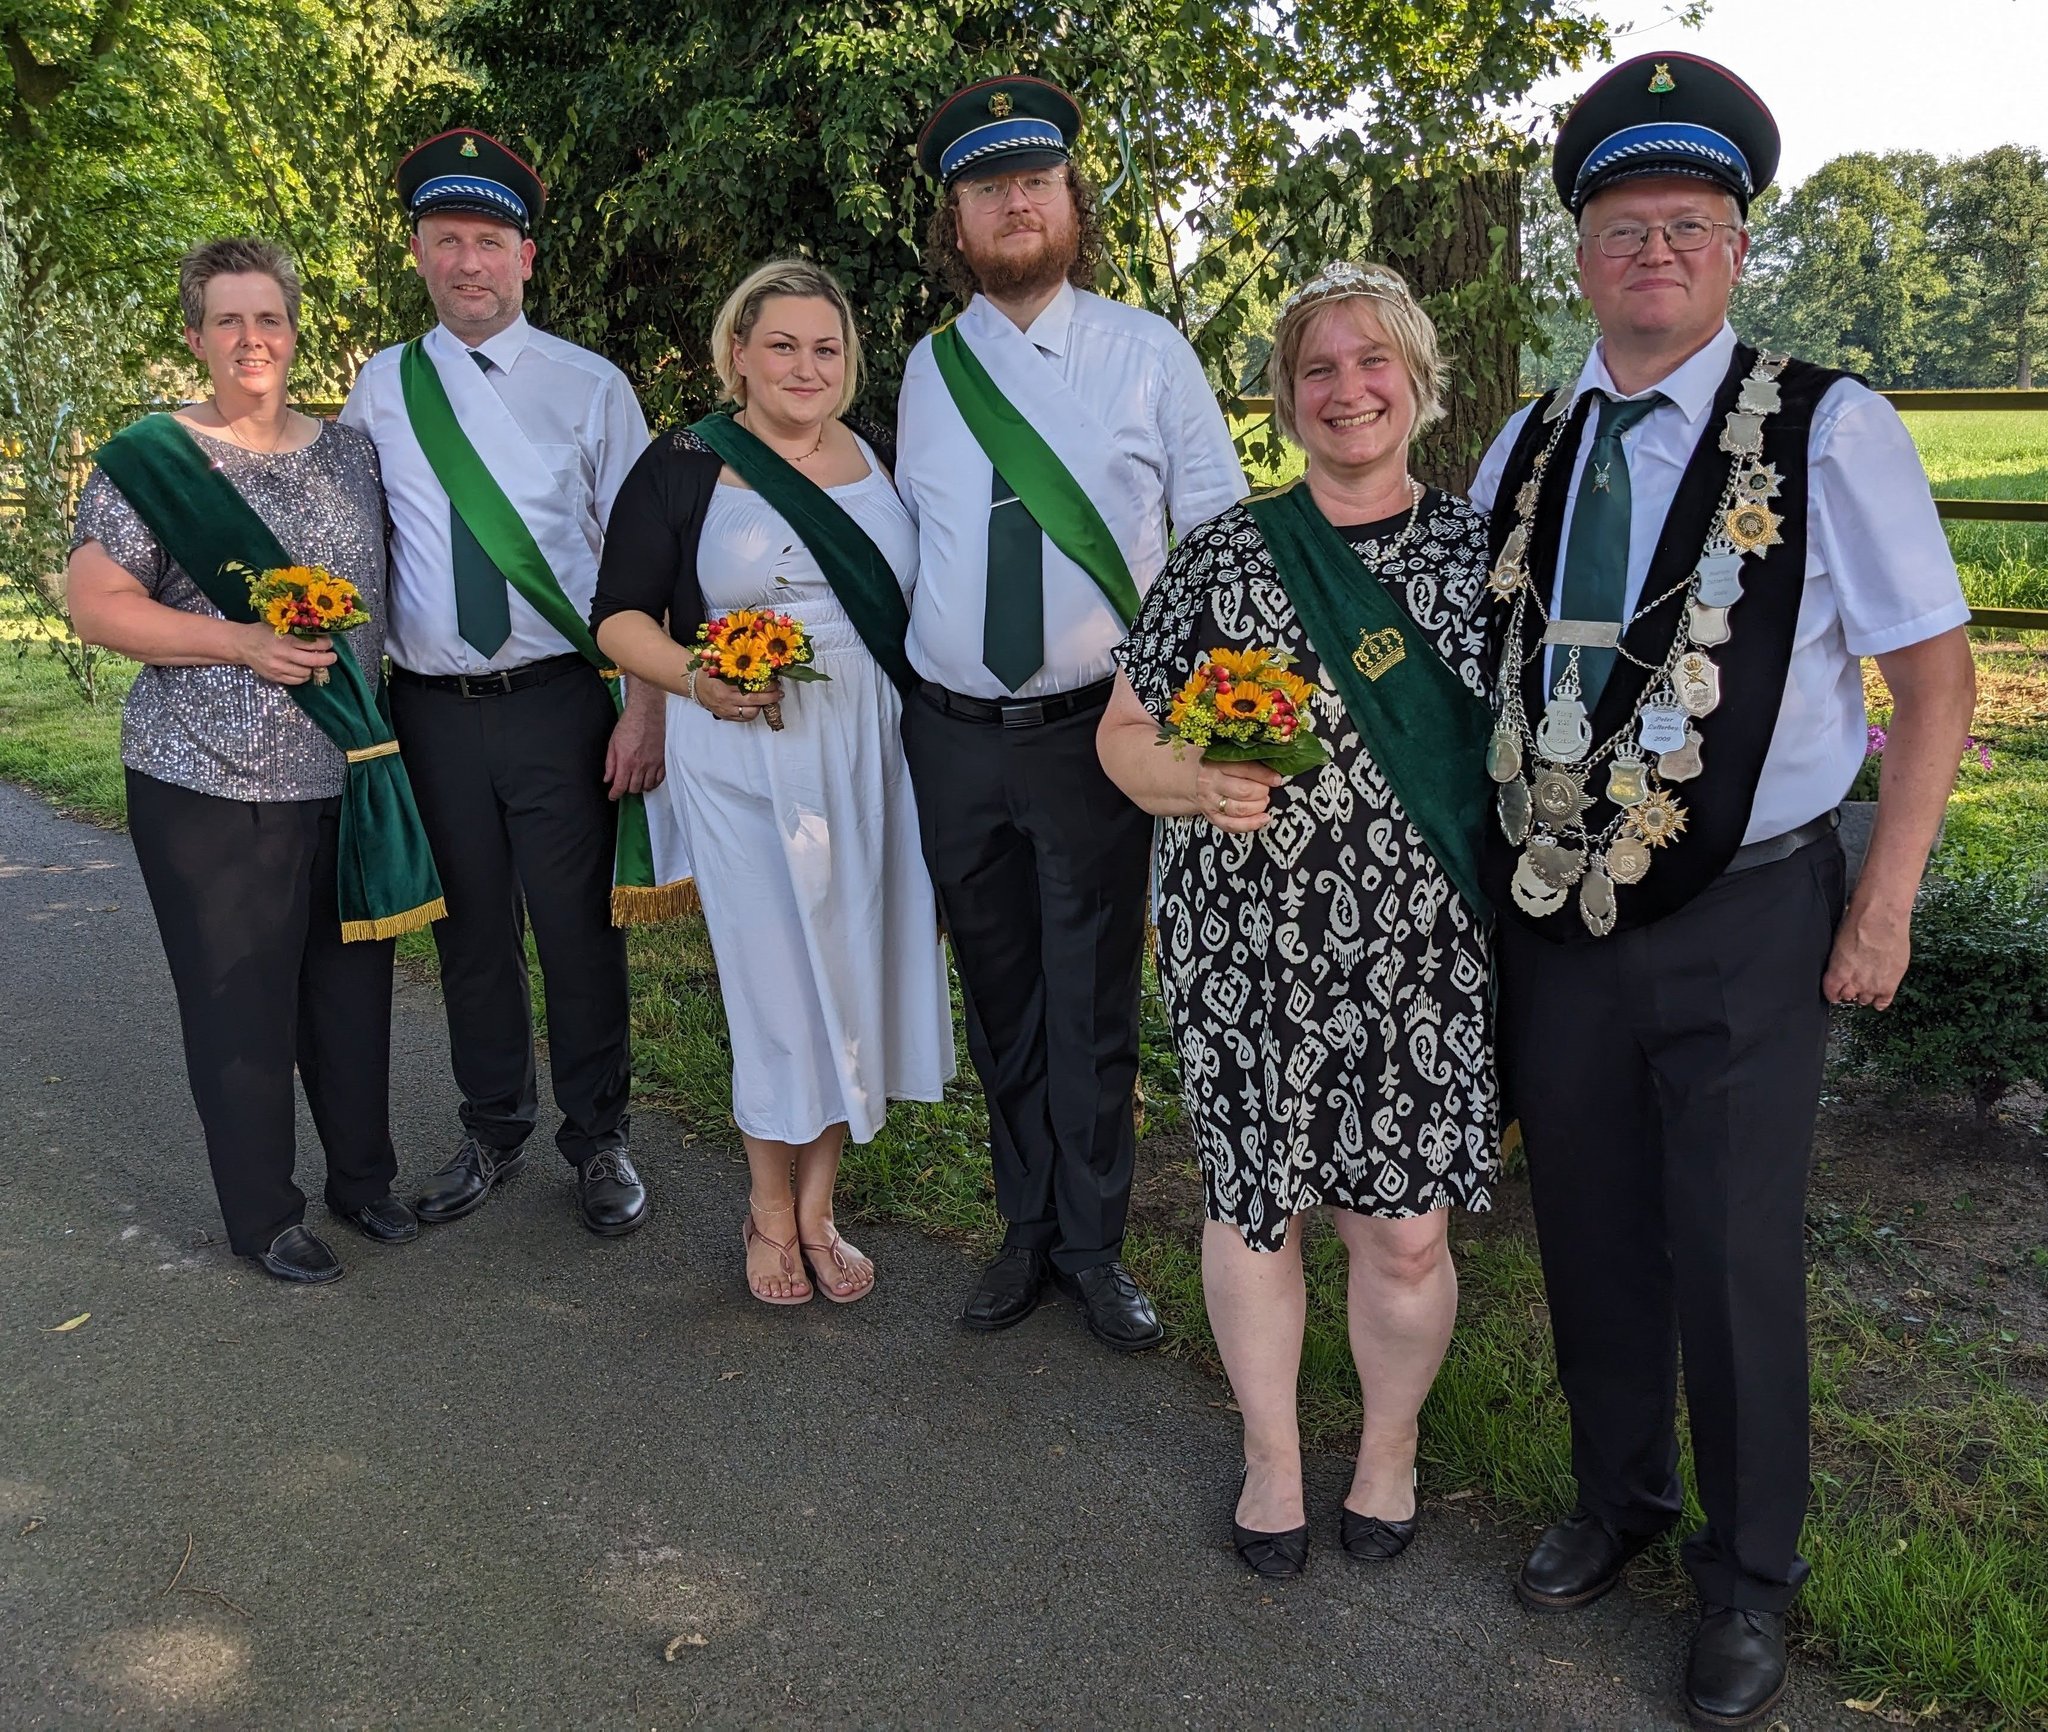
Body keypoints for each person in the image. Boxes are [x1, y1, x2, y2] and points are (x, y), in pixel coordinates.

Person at [1469, 54, 1976, 1727]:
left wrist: (1883, 900)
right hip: (1559, 911)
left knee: (1733, 1251)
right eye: (1624, 226)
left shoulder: (1829, 426)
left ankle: (1748, 1576)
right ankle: (1616, 1498)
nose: (1655, 253)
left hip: (1752, 914)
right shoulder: (1530, 440)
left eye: (1689, 224)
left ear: (1739, 248)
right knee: (1589, 1221)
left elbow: (1934, 681)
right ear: (1579, 253)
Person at [1098, 262, 1497, 1575]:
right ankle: (1271, 1455)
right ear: (1284, 398)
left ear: (1418, 382)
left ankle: (1389, 1449)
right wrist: (1190, 778)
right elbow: (1121, 735)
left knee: (1405, 1231)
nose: (1347, 388)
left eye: (1373, 360)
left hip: (1425, 958)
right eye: (1317, 367)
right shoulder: (1225, 553)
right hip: (1245, 950)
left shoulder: (1486, 561)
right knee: (1255, 1209)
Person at [896, 75, 1247, 1351]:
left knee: (1091, 996)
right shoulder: (925, 371)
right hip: (951, 735)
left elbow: (1218, 544)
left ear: (1070, 200)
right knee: (997, 991)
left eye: (1033, 182)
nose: (1014, 205)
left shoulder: (1147, 354)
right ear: (956, 221)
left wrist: (1208, 725)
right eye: (987, 188)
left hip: (1095, 736)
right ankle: (1024, 1228)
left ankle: (1093, 1248)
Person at [67, 239, 439, 1283]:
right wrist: (240, 641)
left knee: (353, 996)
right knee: (242, 1004)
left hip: (349, 773)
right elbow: (97, 606)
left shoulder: (352, 453)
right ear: (195, 337)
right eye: (227, 320)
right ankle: (265, 1215)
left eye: (267, 317)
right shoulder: (150, 460)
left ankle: (362, 1181)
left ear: (293, 330)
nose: (250, 339)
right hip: (206, 782)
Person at [591, 259, 955, 1304]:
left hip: (869, 749)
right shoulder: (683, 463)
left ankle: (818, 1211)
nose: (805, 366)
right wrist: (692, 679)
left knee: (850, 968)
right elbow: (618, 616)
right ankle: (765, 1206)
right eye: (782, 345)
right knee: (771, 983)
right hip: (740, 750)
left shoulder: (883, 456)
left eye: (825, 348)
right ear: (738, 354)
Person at [341, 129, 684, 1239]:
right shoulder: (381, 388)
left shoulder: (591, 386)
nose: (468, 263)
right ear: (419, 253)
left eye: (489, 242)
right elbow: (354, 546)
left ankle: (599, 1138)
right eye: (447, 241)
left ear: (526, 257)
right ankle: (491, 1128)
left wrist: (645, 706)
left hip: (559, 702)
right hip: (431, 710)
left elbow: (643, 562)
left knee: (580, 932)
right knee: (471, 935)